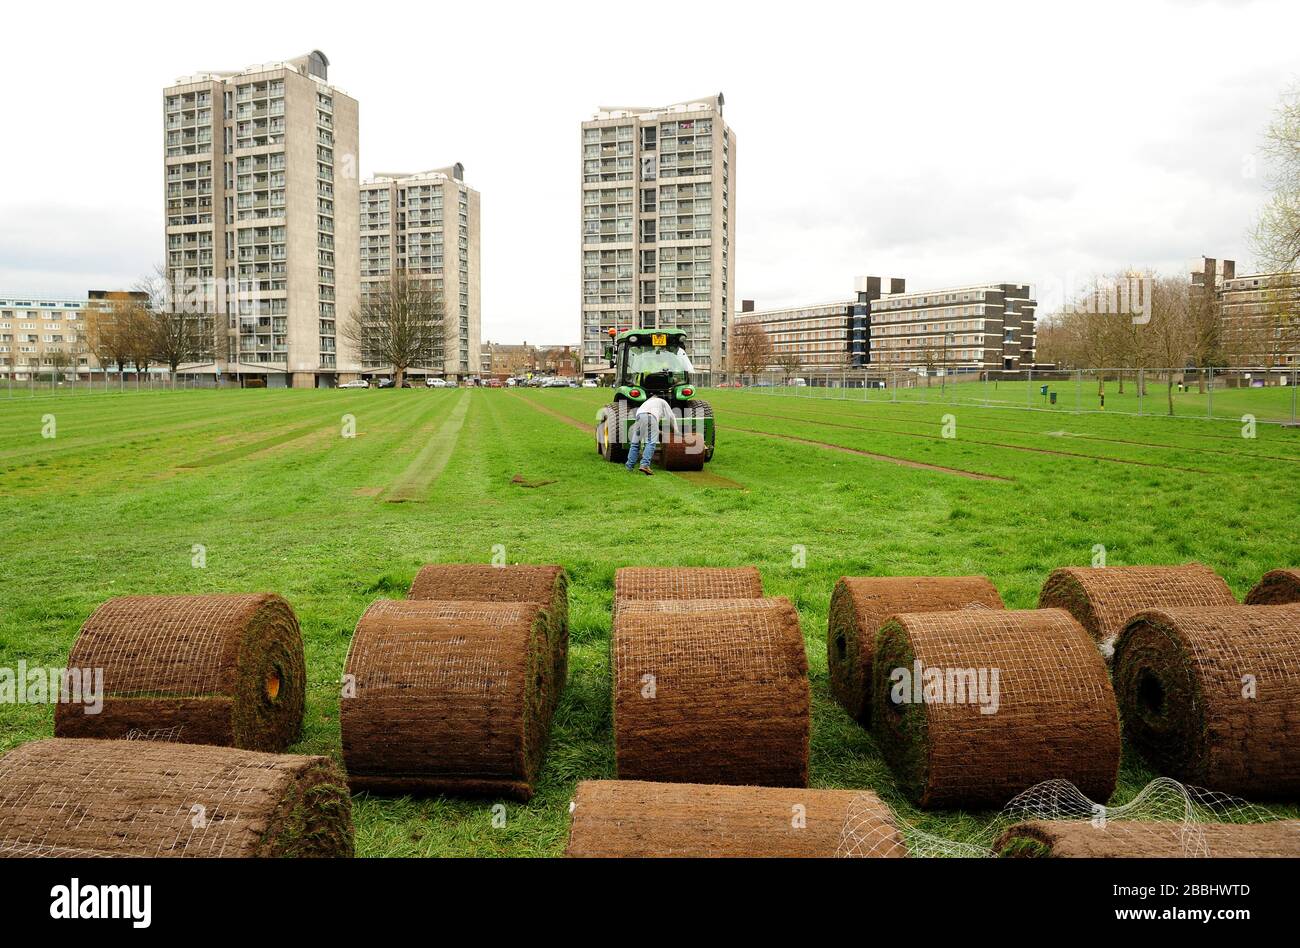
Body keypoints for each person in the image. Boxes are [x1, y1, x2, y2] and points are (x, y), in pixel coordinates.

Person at [625, 395, 679, 476]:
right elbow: (671, 417)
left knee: (635, 443)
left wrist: (659, 431)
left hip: (639, 417)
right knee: (650, 442)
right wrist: (676, 431)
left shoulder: (647, 402)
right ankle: (645, 465)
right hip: (651, 417)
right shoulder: (662, 401)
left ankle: (629, 467)